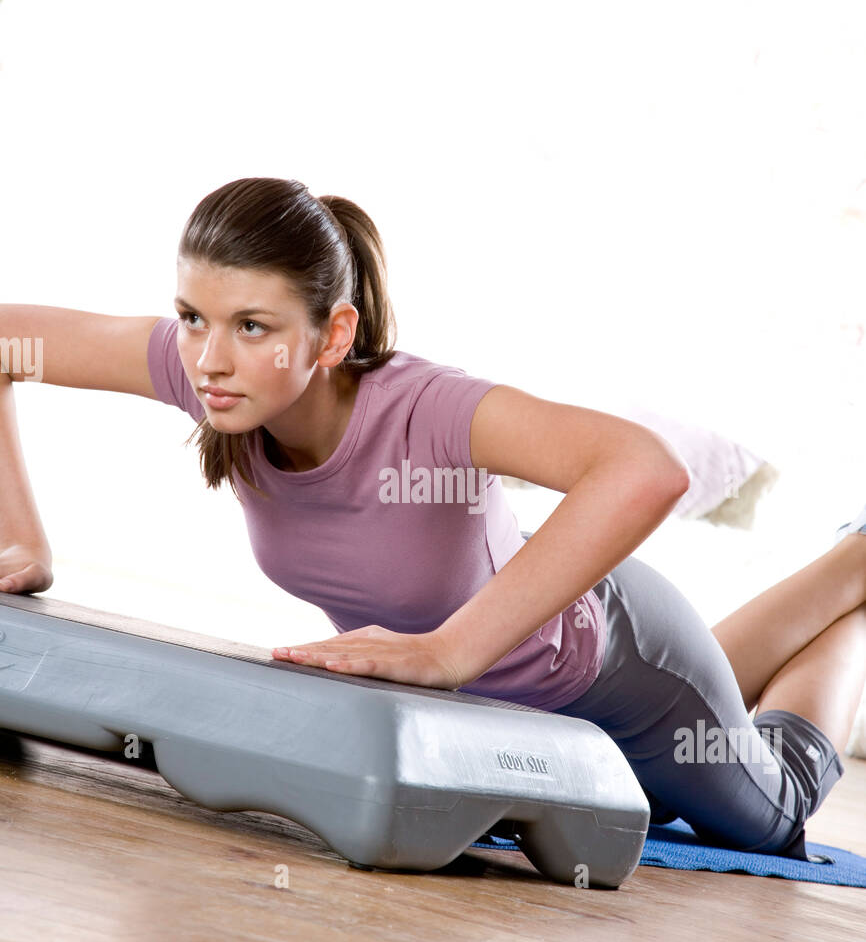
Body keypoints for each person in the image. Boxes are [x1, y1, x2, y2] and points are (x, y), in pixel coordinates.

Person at [1, 177, 862, 862]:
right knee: (679, 746)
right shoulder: (207, 370)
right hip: (521, 696)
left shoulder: (426, 410)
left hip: (616, 675)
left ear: (333, 335)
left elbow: (646, 471)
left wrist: (448, 651)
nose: (209, 358)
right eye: (193, 318)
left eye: (252, 326)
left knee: (767, 812)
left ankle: (855, 579)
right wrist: (23, 541)